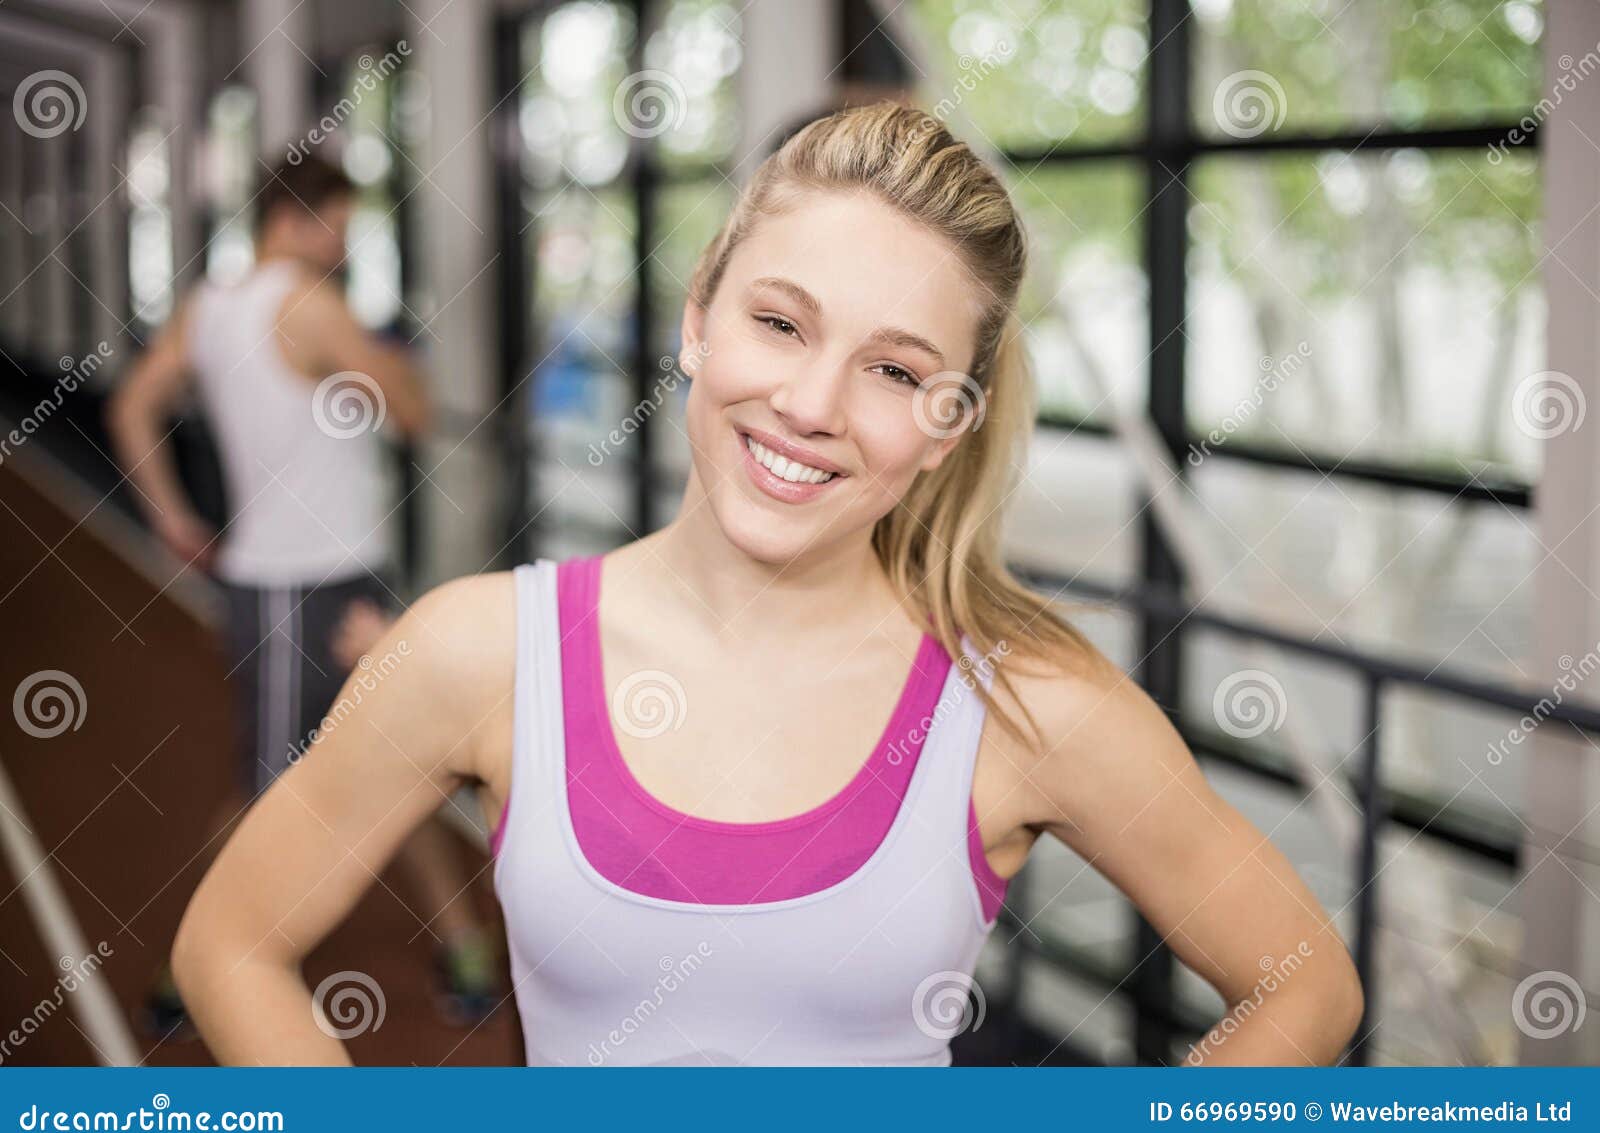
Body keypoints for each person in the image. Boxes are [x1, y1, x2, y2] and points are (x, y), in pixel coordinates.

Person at [169, 104, 1363, 1066]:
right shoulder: (479, 650)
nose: (810, 404)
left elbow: (1304, 980)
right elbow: (231, 941)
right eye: (781, 323)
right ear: (698, 319)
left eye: (895, 370)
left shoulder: (1023, 702)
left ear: (947, 425)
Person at [107, 152, 500, 1041]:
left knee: (401, 757)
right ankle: (194, 959)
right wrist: (395, 354)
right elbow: (413, 411)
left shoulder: (209, 306)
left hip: (330, 573)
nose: (343, 244)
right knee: (273, 788)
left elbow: (132, 406)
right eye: (337, 225)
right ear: (294, 220)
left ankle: (463, 942)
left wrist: (172, 517)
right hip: (297, 589)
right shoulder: (311, 304)